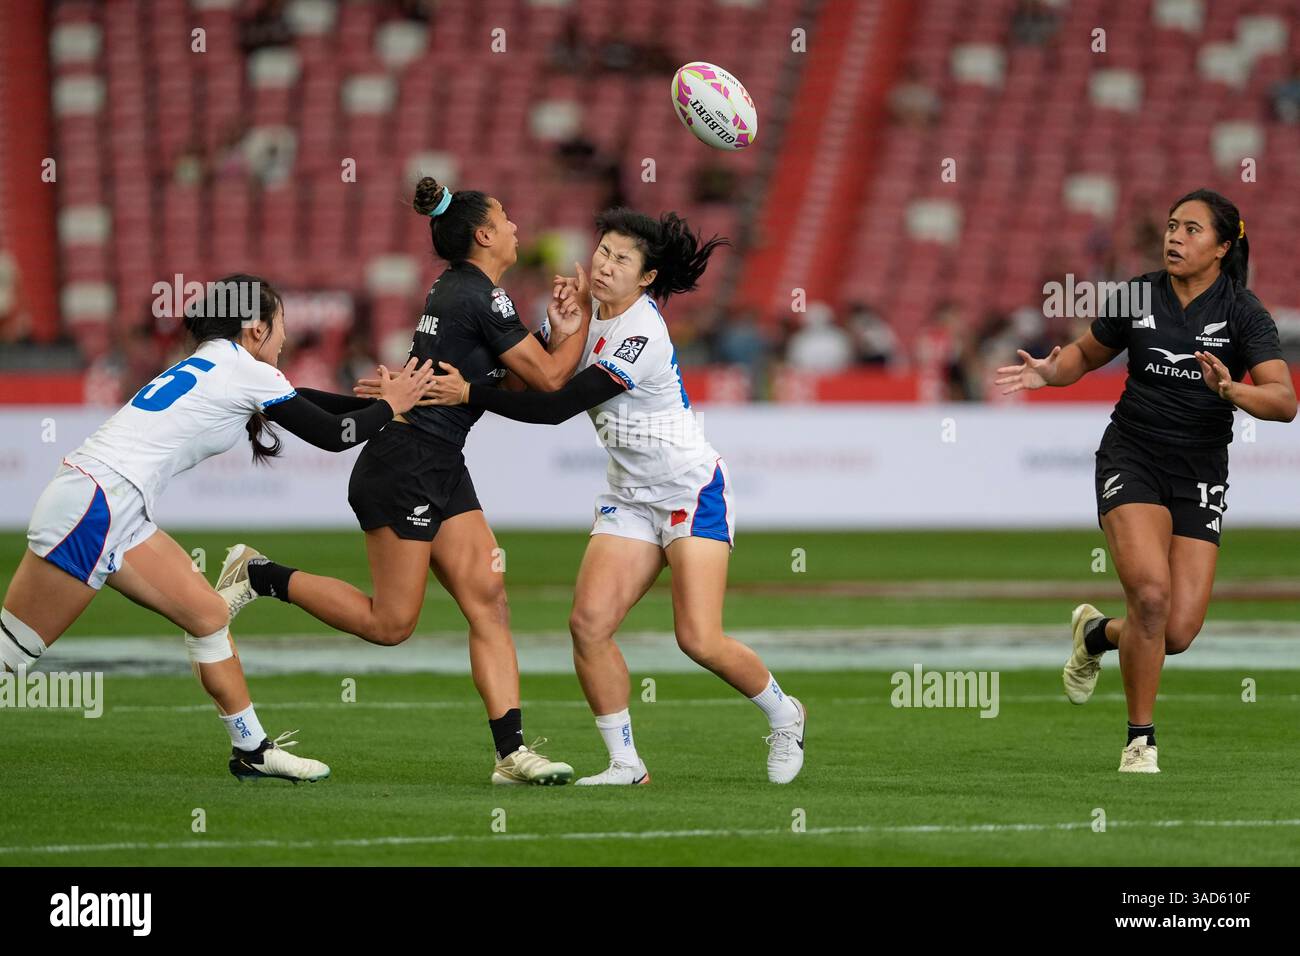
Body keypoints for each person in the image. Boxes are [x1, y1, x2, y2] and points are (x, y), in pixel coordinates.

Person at [218, 178, 592, 785]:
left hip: (439, 461)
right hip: (406, 464)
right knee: (391, 625)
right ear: (484, 234)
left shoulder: (464, 289)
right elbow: (549, 383)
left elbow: (515, 380)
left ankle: (511, 755)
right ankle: (258, 573)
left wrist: (552, 332)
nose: (518, 227)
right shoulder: (478, 294)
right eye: (507, 217)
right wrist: (579, 325)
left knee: (489, 601)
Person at [421, 208, 808, 785]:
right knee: (588, 625)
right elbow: (542, 376)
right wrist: (558, 327)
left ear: (647, 278)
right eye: (602, 251)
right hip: (629, 494)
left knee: (697, 638)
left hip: (687, 488)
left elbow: (554, 408)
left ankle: (784, 713)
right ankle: (626, 764)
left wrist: (467, 394)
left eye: (621, 259)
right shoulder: (595, 313)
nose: (603, 265)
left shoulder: (640, 334)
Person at [0, 274, 435, 781]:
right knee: (12, 654)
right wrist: (390, 407)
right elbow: (333, 436)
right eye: (280, 327)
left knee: (208, 615)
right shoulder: (242, 369)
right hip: (97, 505)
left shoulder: (218, 361)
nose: (284, 340)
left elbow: (307, 402)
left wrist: (387, 403)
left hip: (109, 504)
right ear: (255, 327)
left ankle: (251, 749)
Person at [995, 189, 1296, 773]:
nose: (1175, 238)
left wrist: (1229, 390)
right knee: (1152, 597)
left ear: (1223, 246)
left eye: (1191, 230)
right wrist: (1047, 373)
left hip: (1201, 471)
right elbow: (1081, 357)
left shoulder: (1245, 312)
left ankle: (1096, 636)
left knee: (1176, 632)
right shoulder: (1136, 293)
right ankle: (1141, 740)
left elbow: (1284, 403)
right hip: (1132, 457)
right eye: (1171, 226)